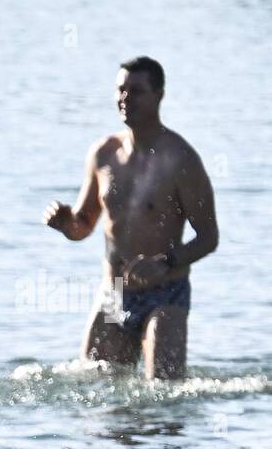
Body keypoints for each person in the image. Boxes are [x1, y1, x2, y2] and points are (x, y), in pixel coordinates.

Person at [44, 56, 218, 380]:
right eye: (120, 90)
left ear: (159, 95)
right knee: (96, 394)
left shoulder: (180, 159)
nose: (125, 98)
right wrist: (65, 223)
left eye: (136, 91)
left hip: (166, 292)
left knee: (163, 396)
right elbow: (83, 226)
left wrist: (165, 262)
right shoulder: (103, 154)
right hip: (116, 291)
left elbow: (209, 237)